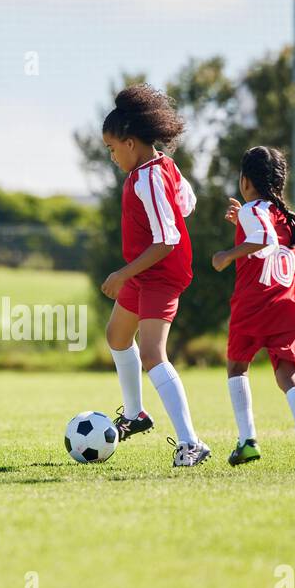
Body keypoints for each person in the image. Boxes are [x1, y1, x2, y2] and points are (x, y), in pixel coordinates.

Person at [99, 84, 210, 467]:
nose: (112, 157)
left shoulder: (147, 178)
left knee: (151, 353)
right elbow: (189, 204)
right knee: (117, 335)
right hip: (146, 271)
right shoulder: (161, 165)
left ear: (130, 143)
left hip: (160, 273)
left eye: (112, 149)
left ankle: (191, 442)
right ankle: (136, 414)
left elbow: (168, 239)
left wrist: (122, 273)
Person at [211, 146, 295, 473]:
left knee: (236, 368)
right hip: (286, 305)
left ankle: (247, 441)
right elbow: (282, 249)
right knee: (286, 374)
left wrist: (228, 254)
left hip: (253, 303)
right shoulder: (290, 220)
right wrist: (241, 224)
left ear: (245, 180)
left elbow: (264, 239)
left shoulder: (254, 212)